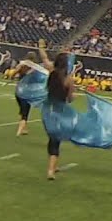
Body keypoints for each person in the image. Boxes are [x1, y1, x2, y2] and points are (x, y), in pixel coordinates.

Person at [42, 50, 76, 181]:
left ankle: (54, 166)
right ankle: (51, 170)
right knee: (56, 139)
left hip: (47, 109)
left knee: (53, 137)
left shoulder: (51, 71)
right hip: (60, 111)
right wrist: (72, 92)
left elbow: (45, 59)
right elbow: (70, 99)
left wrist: (41, 47)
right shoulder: (68, 79)